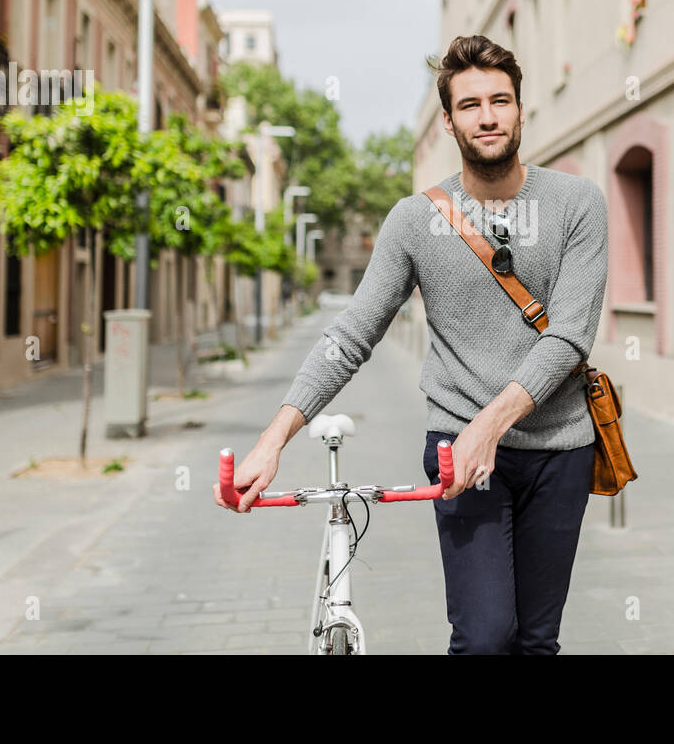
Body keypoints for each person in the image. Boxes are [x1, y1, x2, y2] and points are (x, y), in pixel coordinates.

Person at [214, 34, 610, 654]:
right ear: (448, 120)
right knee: (483, 639)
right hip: (459, 451)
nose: (488, 116)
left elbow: (569, 336)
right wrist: (274, 439)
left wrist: (492, 424)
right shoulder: (412, 220)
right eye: (471, 104)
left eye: (500, 100)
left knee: (536, 641)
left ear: (521, 110)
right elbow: (352, 335)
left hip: (559, 447)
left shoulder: (577, 202)